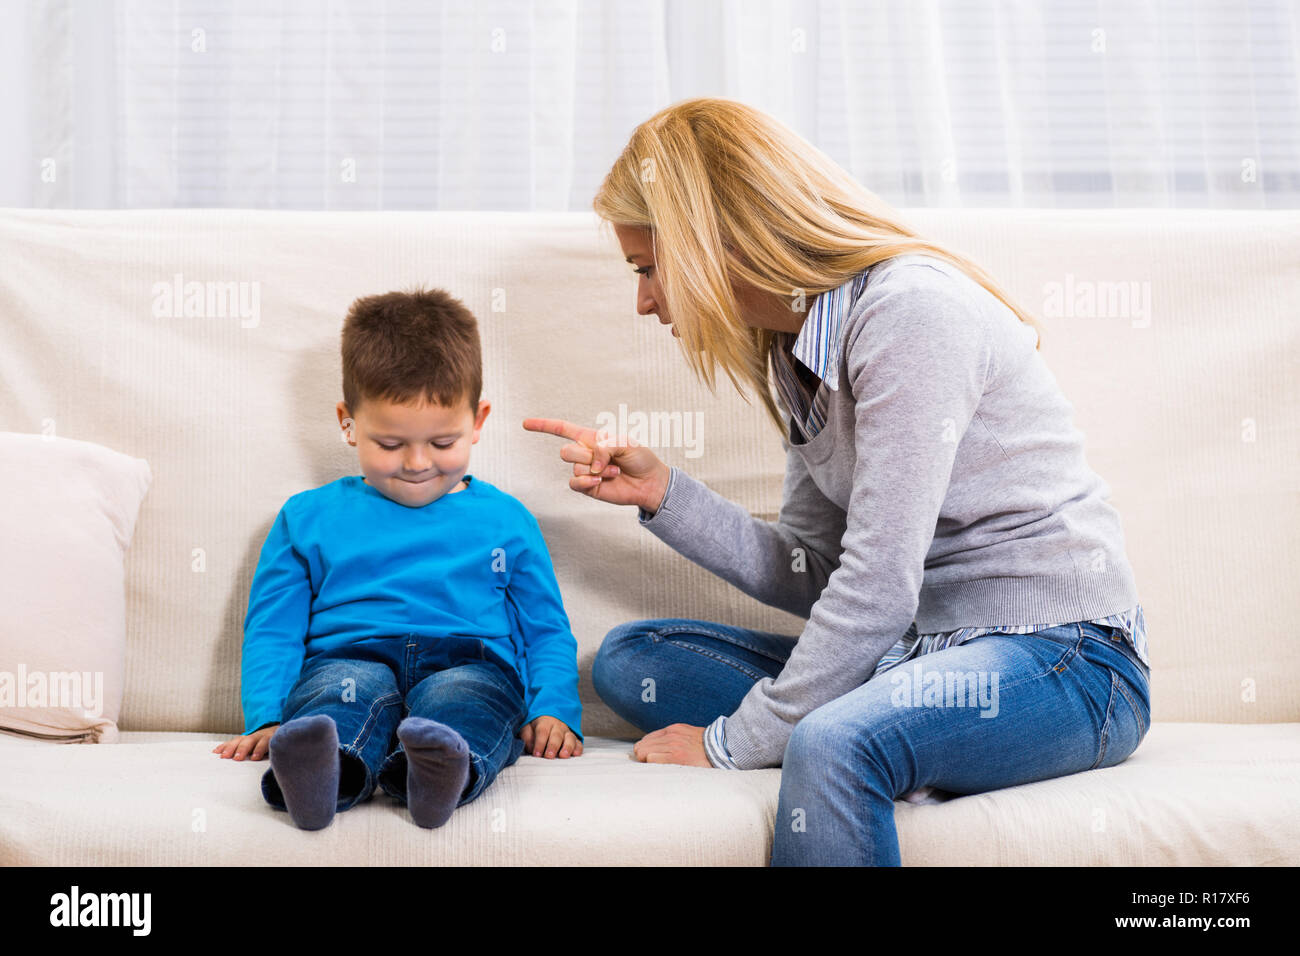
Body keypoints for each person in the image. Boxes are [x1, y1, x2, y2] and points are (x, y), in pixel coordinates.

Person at [523, 97, 1149, 866]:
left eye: (649, 269)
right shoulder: (796, 350)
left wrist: (733, 743)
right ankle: (914, 738)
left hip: (1063, 658)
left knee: (830, 741)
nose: (645, 301)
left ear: (710, 241)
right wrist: (664, 496)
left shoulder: (910, 313)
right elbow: (817, 575)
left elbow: (880, 585)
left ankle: (886, 741)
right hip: (914, 652)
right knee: (633, 658)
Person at [215, 287, 583, 830]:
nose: (416, 463)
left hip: (469, 661)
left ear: (478, 420)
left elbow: (545, 630)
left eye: (442, 442)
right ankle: (319, 777)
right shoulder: (306, 516)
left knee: (464, 700)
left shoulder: (508, 520)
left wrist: (553, 707)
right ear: (347, 421)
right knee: (340, 696)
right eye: (389, 444)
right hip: (348, 658)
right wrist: (268, 716)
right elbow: (274, 628)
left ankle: (437, 774)